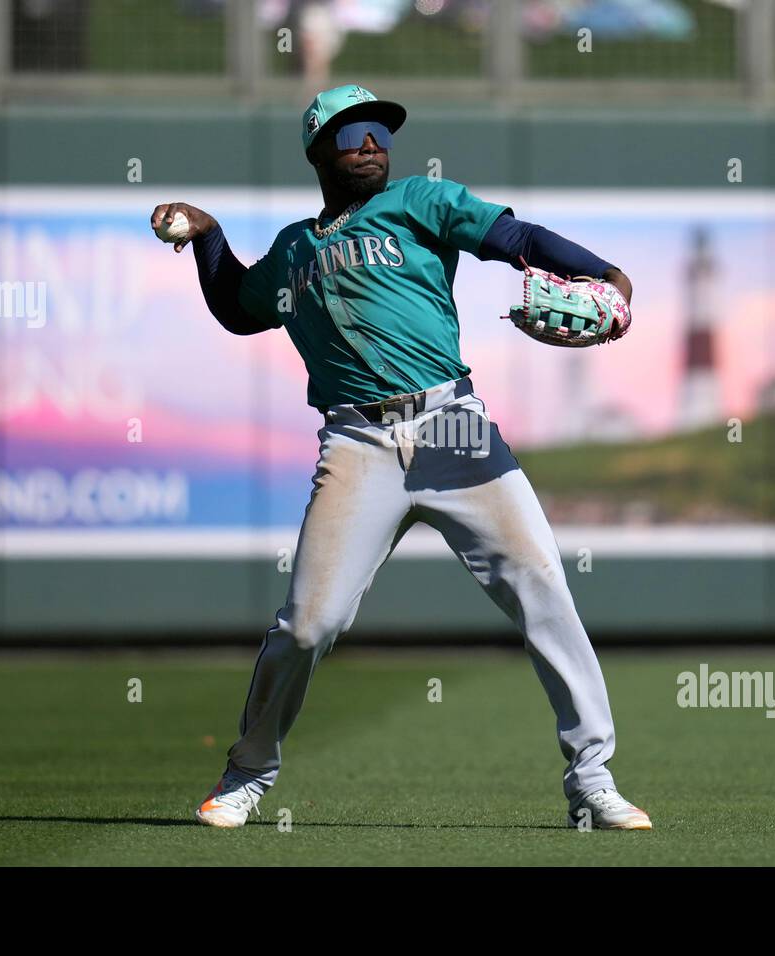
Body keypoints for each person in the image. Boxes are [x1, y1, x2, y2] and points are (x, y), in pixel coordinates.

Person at [150, 84, 649, 831]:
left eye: (380, 131)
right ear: (320, 151)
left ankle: (593, 777)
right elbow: (236, 308)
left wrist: (605, 274)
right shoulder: (293, 249)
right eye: (353, 134)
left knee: (544, 586)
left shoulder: (420, 200)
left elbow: (517, 239)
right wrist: (210, 236)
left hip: (453, 424)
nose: (372, 143)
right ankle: (247, 772)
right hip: (357, 442)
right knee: (307, 626)